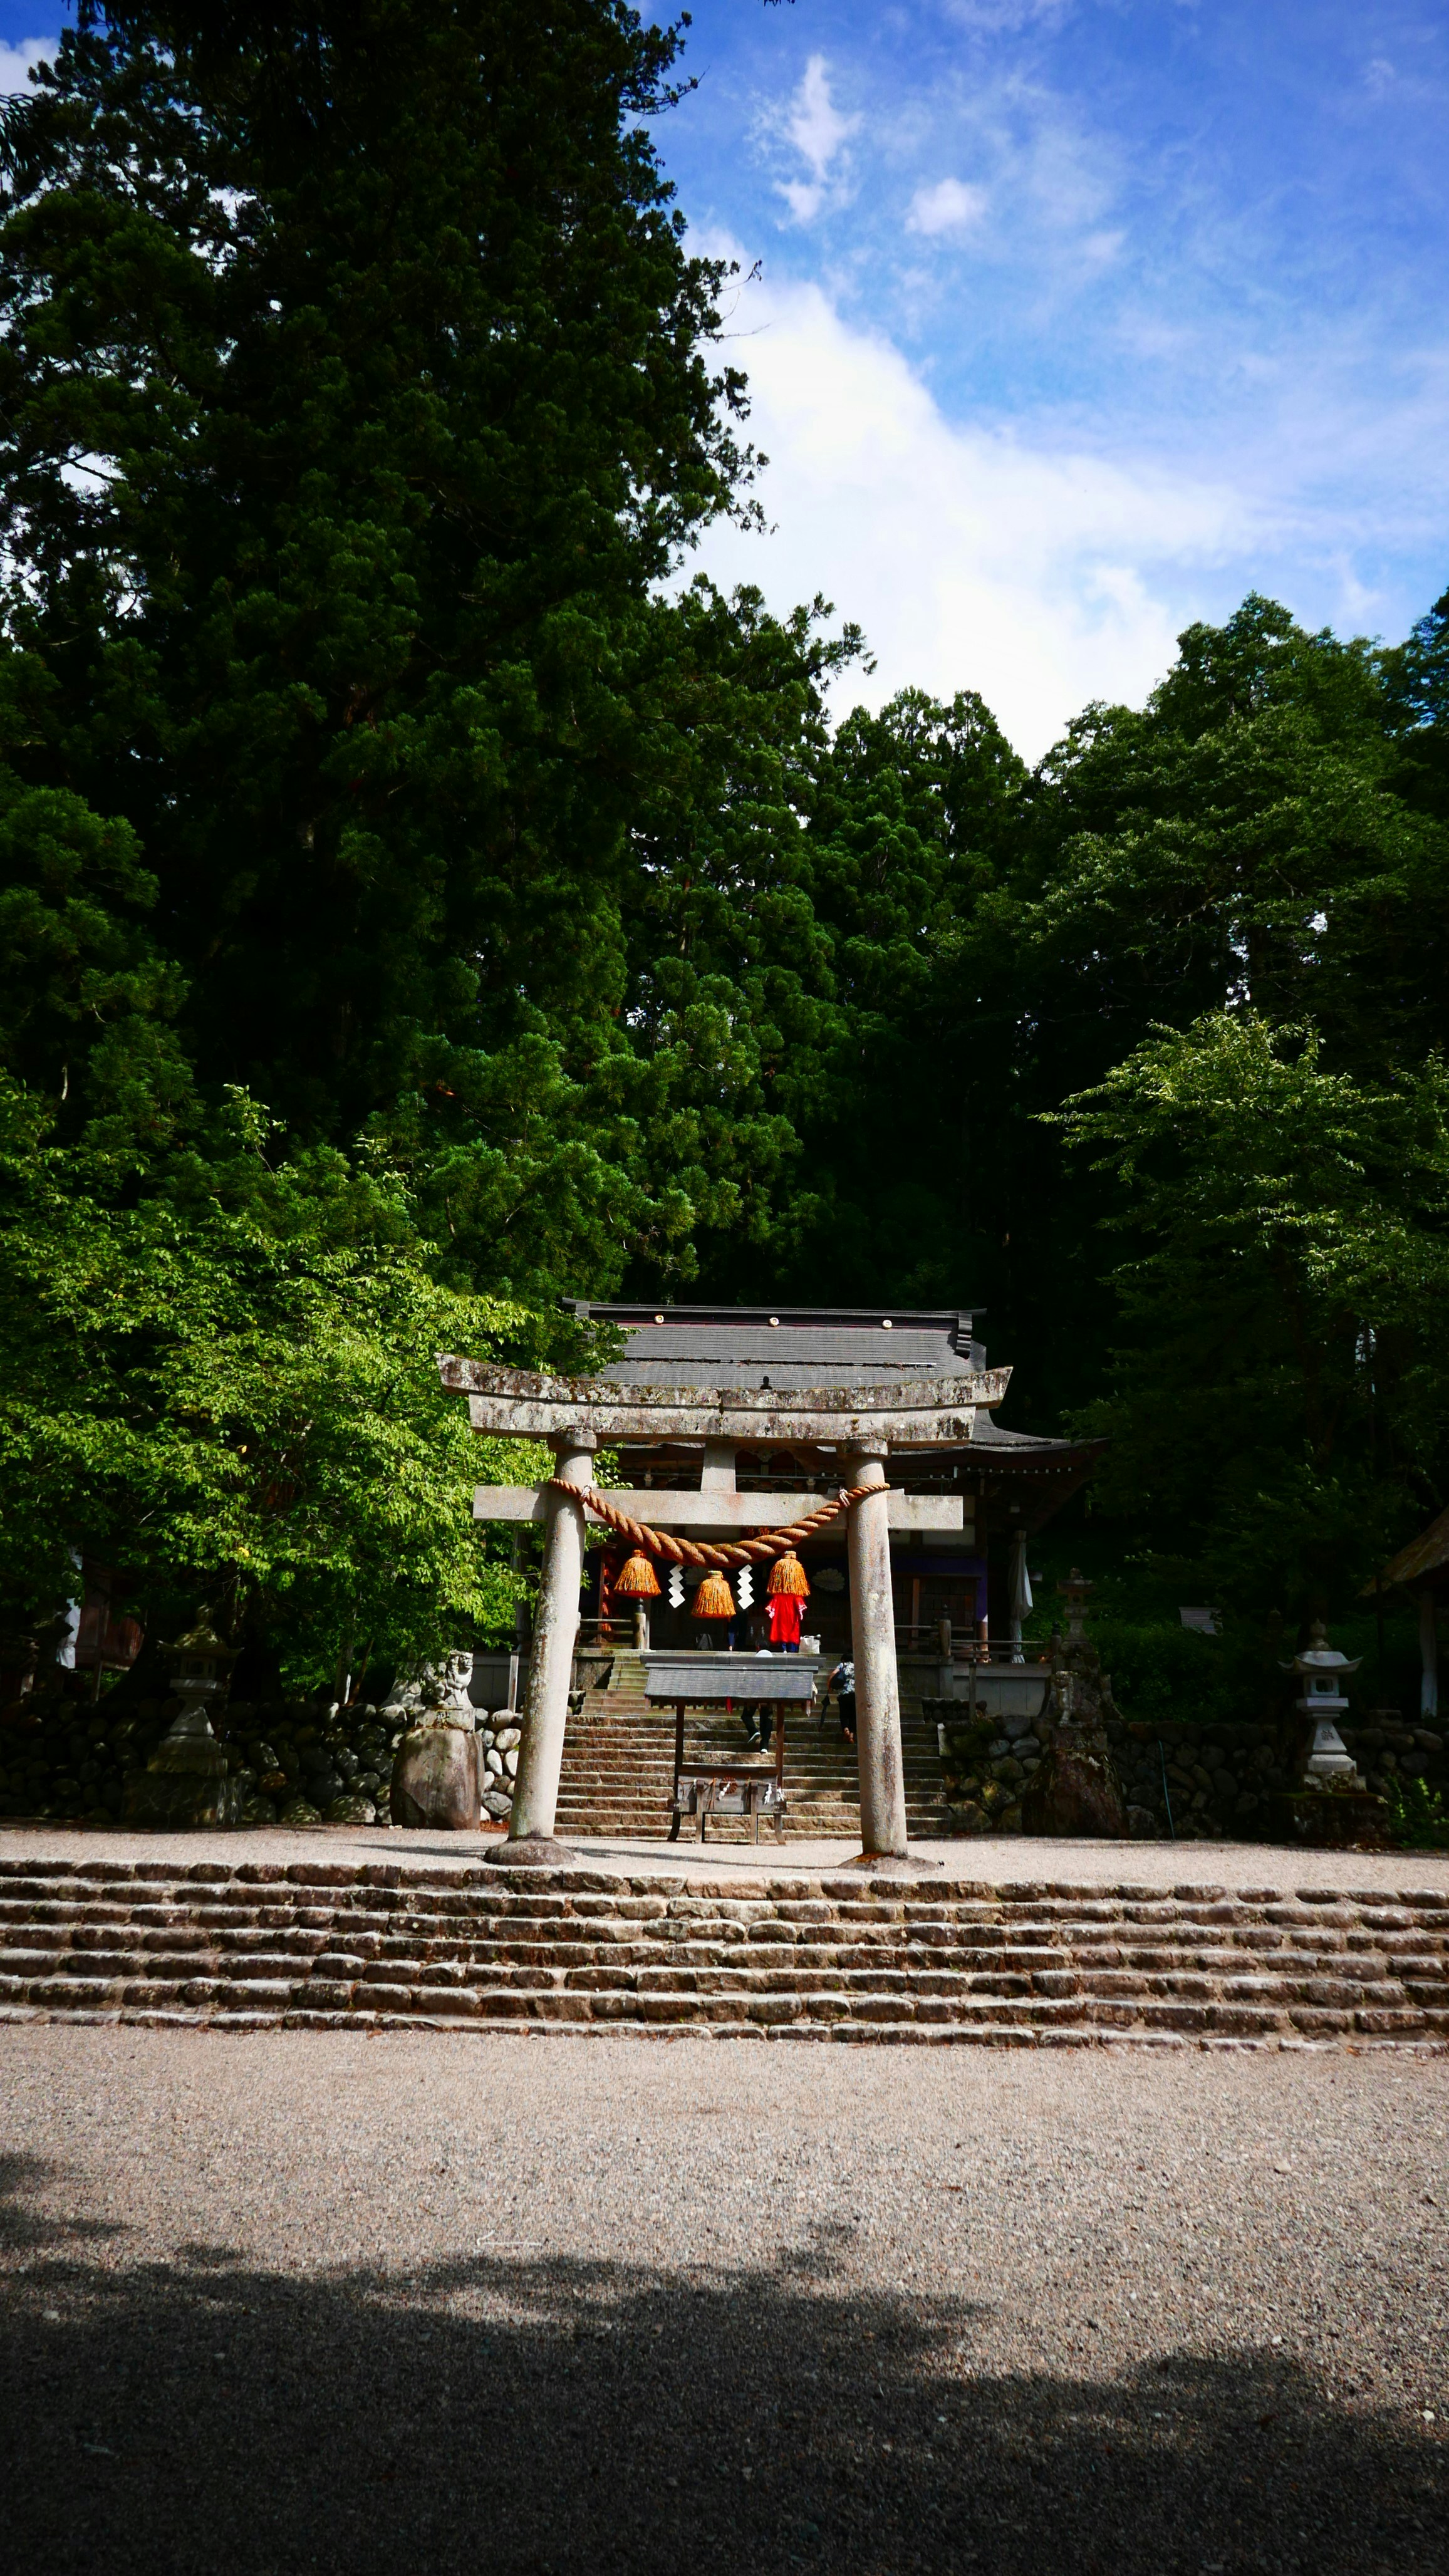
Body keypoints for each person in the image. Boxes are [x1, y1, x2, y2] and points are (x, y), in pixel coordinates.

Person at [829, 1657, 856, 1743]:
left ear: (843, 1660)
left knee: (844, 1714)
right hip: (854, 1694)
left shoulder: (842, 1665)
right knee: (853, 1715)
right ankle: (852, 1736)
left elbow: (834, 1673)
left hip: (844, 1694)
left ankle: (846, 1729)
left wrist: (829, 1684)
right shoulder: (856, 1666)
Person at [766, 1588, 802, 1653]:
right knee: (792, 1633)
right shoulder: (795, 1594)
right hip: (792, 1616)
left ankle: (784, 1649)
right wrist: (800, 1613)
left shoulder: (778, 1594)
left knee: (783, 1632)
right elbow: (799, 1604)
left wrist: (772, 1612)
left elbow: (773, 1604)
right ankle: (791, 1650)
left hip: (781, 1615)